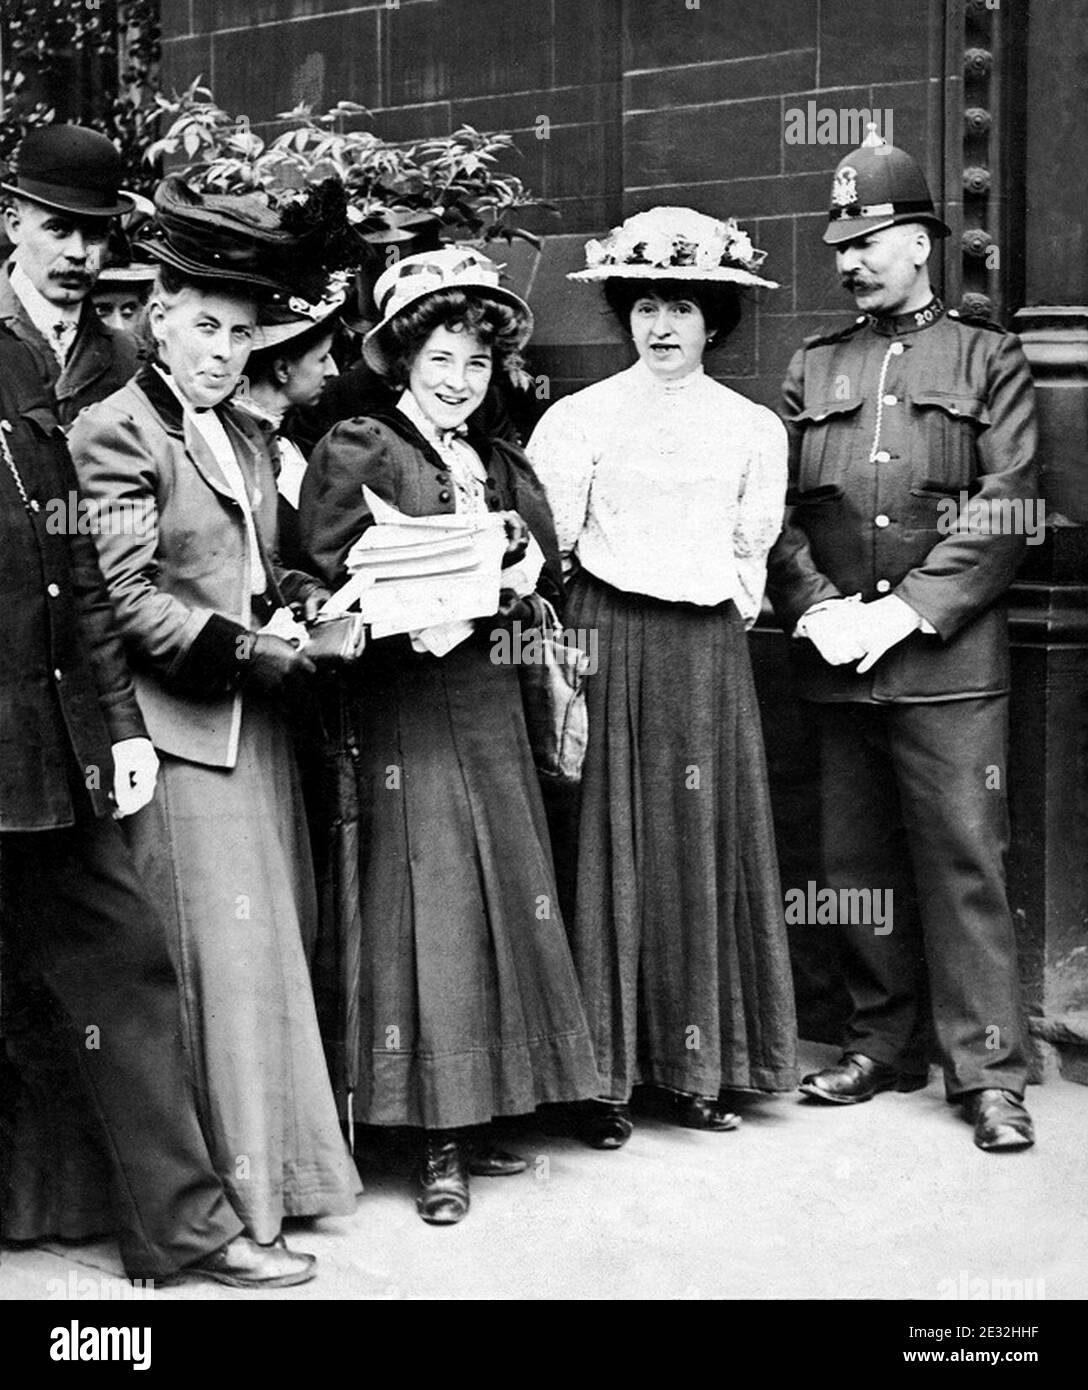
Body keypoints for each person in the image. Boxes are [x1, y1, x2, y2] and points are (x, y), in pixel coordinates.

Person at [67, 175, 362, 1244]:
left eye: (240, 333)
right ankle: (226, 1209)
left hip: (254, 729)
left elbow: (255, 567)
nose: (221, 352)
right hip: (183, 734)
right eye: (202, 326)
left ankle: (278, 1180)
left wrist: (307, 607)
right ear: (157, 315)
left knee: (268, 954)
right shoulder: (117, 429)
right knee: (218, 973)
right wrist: (255, 655)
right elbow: (126, 595)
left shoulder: (235, 432)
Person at [0, 322, 314, 1287]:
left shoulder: (21, 380)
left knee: (124, 973)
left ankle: (182, 1230)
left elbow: (83, 587)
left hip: (37, 758)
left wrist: (114, 728)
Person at [299, 246, 600, 1225]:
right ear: (399, 356)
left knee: (500, 895)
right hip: (404, 702)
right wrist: (402, 592)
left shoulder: (496, 459)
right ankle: (431, 1133)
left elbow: (542, 567)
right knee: (427, 903)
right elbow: (328, 567)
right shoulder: (361, 445)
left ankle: (484, 1107)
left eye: (473, 359)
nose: (456, 378)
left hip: (486, 696)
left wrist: (516, 560)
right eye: (436, 355)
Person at [765, 130, 1037, 1152]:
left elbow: (1007, 504)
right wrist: (814, 604)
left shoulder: (985, 354)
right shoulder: (812, 363)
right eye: (840, 242)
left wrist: (906, 610)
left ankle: (987, 1072)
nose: (849, 259)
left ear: (922, 240)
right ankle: (875, 1045)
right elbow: (776, 506)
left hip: (943, 665)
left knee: (964, 864)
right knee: (850, 862)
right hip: (838, 659)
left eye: (870, 239)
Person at [526, 208, 799, 1149]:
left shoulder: (753, 427)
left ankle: (697, 1068)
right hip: (610, 640)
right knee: (610, 847)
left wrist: (718, 614)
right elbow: (552, 550)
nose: (662, 325)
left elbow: (748, 549)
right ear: (624, 314)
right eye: (645, 305)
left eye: (682, 305)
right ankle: (602, 1078)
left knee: (698, 842)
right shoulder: (579, 418)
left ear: (714, 317)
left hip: (704, 655)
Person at [0, 124, 138, 427]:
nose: (78, 252)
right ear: (15, 226)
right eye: (58, 229)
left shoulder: (131, 357)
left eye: (94, 234)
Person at [233, 275, 346, 570]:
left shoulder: (291, 439)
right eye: (322, 359)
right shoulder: (239, 446)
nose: (333, 370)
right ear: (283, 368)